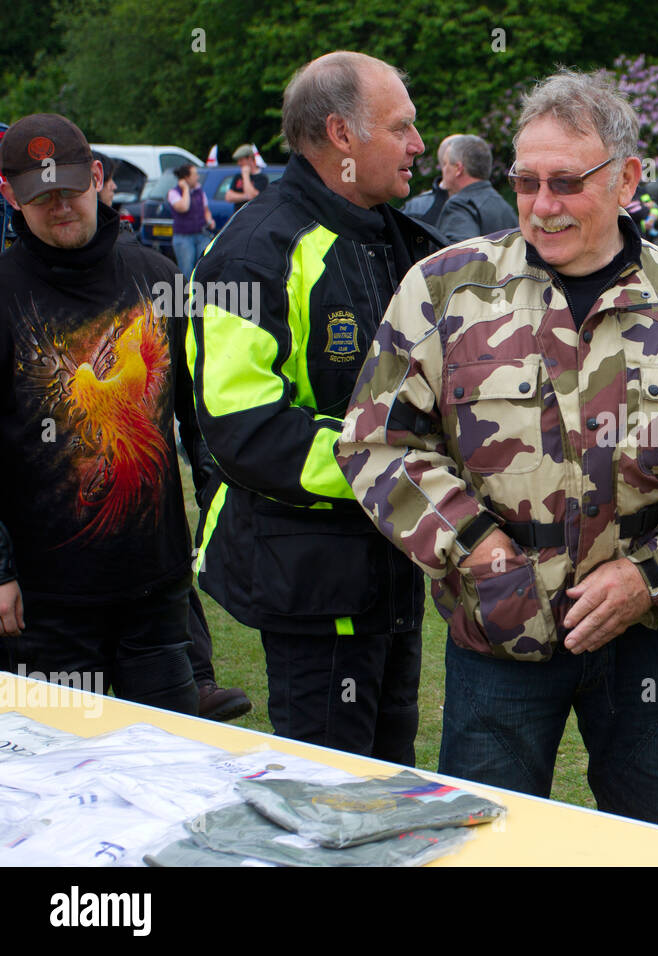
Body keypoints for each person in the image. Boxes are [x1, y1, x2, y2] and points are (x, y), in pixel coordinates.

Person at [337, 68, 658, 829]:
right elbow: (380, 444)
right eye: (527, 181)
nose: (543, 206)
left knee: (650, 843)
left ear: (627, 179)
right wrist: (477, 550)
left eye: (568, 182)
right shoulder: (445, 292)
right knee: (484, 841)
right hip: (498, 635)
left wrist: (649, 578)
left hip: (645, 640)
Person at [188, 51, 443, 763]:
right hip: (312, 587)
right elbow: (245, 428)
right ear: (341, 134)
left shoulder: (396, 237)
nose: (419, 145)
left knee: (390, 776)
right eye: (403, 127)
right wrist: (396, 473)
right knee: (328, 794)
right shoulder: (251, 253)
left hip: (391, 567)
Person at [0, 113, 205, 714]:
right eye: (42, 197)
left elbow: (199, 420)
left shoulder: (159, 277)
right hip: (45, 604)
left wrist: (218, 530)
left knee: (174, 769)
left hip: (156, 591)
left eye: (71, 188)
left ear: (96, 176)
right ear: (9, 194)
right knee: (55, 788)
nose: (61, 206)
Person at [433, 134, 517, 242]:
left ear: (458, 169)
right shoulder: (505, 208)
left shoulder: (460, 205)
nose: (443, 170)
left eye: (445, 164)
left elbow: (460, 256)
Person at [167, 164, 216, 282]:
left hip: (201, 234)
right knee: (186, 270)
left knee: (204, 267)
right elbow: (184, 207)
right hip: (183, 238)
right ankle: (186, 298)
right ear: (186, 177)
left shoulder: (199, 191)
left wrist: (209, 220)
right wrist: (185, 189)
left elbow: (206, 210)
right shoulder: (174, 193)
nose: (197, 177)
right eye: (195, 175)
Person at [223, 144, 267, 209]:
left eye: (241, 160)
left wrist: (246, 176)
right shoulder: (238, 176)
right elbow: (228, 197)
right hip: (239, 216)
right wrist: (246, 196)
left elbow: (253, 195)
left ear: (249, 158)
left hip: (254, 215)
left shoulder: (262, 178)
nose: (239, 163)